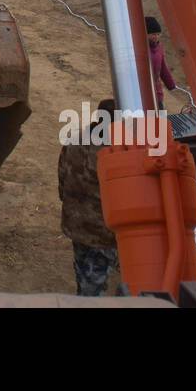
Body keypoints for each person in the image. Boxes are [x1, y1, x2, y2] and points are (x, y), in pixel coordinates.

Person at [58, 98, 122, 296]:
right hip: (101, 232)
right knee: (93, 285)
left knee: (83, 269)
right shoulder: (114, 156)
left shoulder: (75, 140)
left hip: (75, 222)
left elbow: (62, 180)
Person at [146, 16, 178, 108]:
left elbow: (163, 68)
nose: (156, 37)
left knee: (160, 121)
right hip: (143, 94)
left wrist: (171, 85)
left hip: (157, 93)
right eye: (153, 34)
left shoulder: (159, 47)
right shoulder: (139, 49)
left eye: (158, 34)